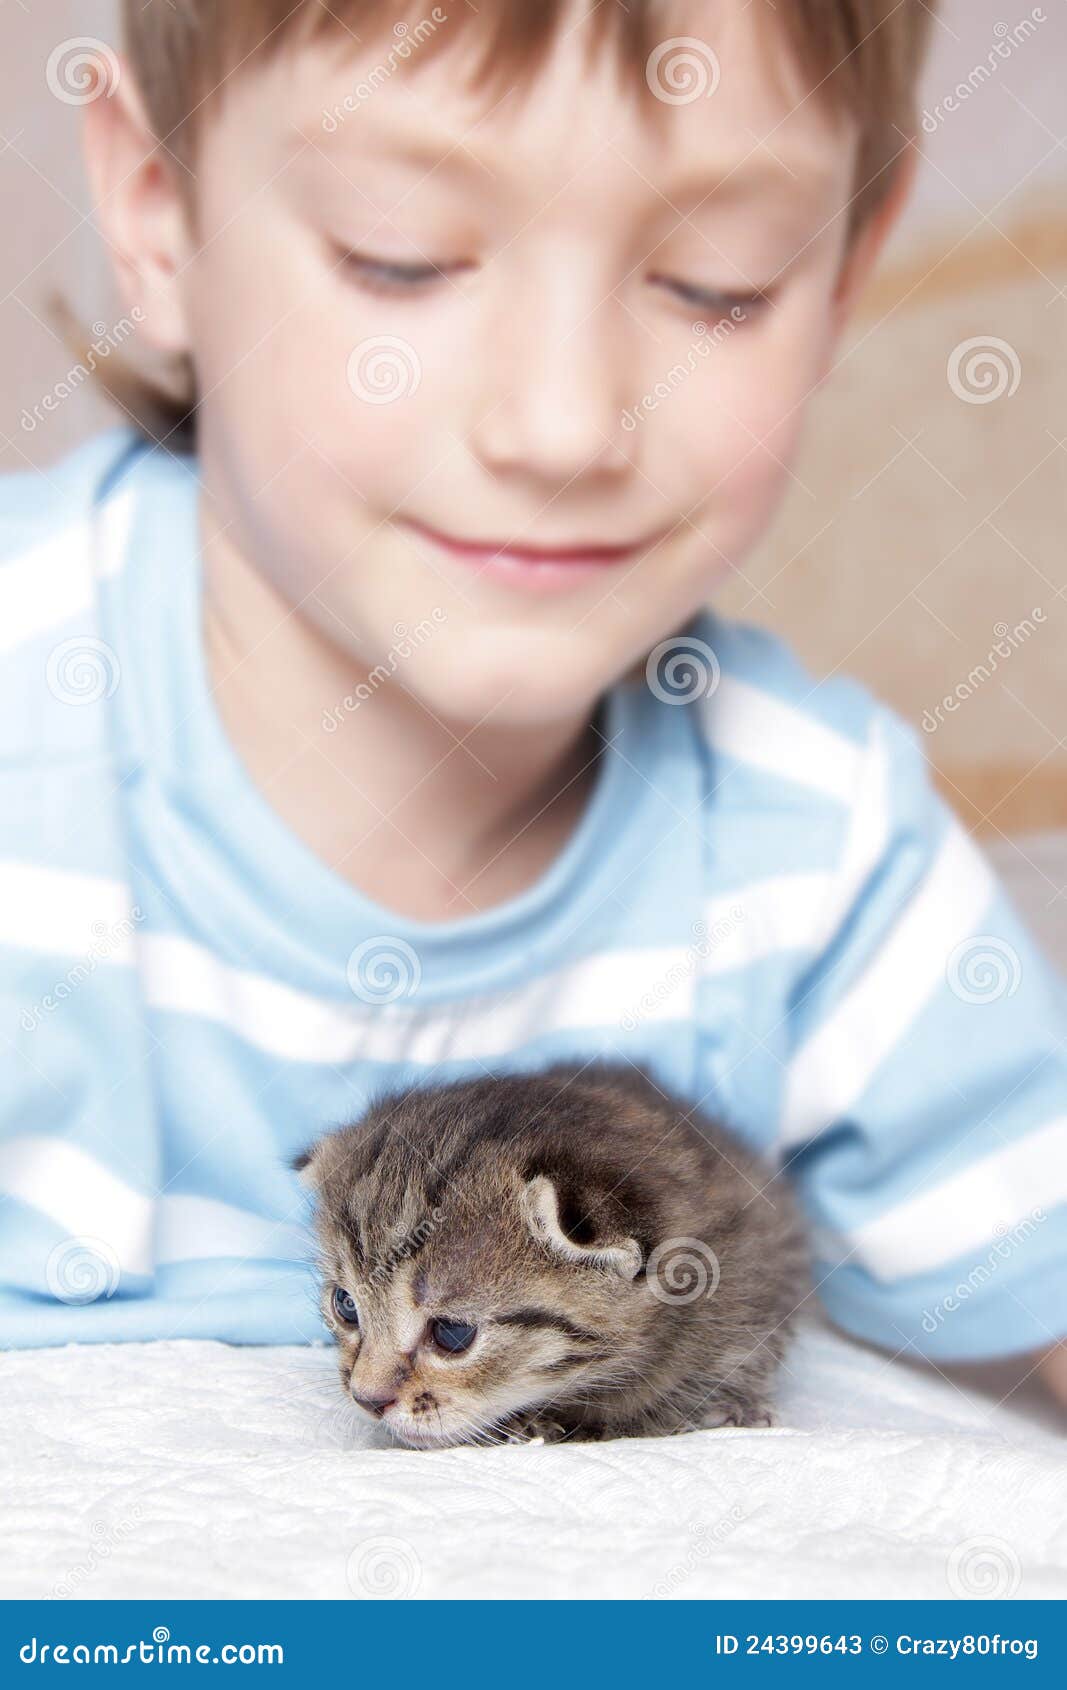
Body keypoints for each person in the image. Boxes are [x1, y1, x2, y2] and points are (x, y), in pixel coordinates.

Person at [2, 0, 1064, 1413]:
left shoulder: (820, 845)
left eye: (714, 280)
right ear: (158, 208)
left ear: (845, 273)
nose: (564, 426)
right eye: (403, 255)